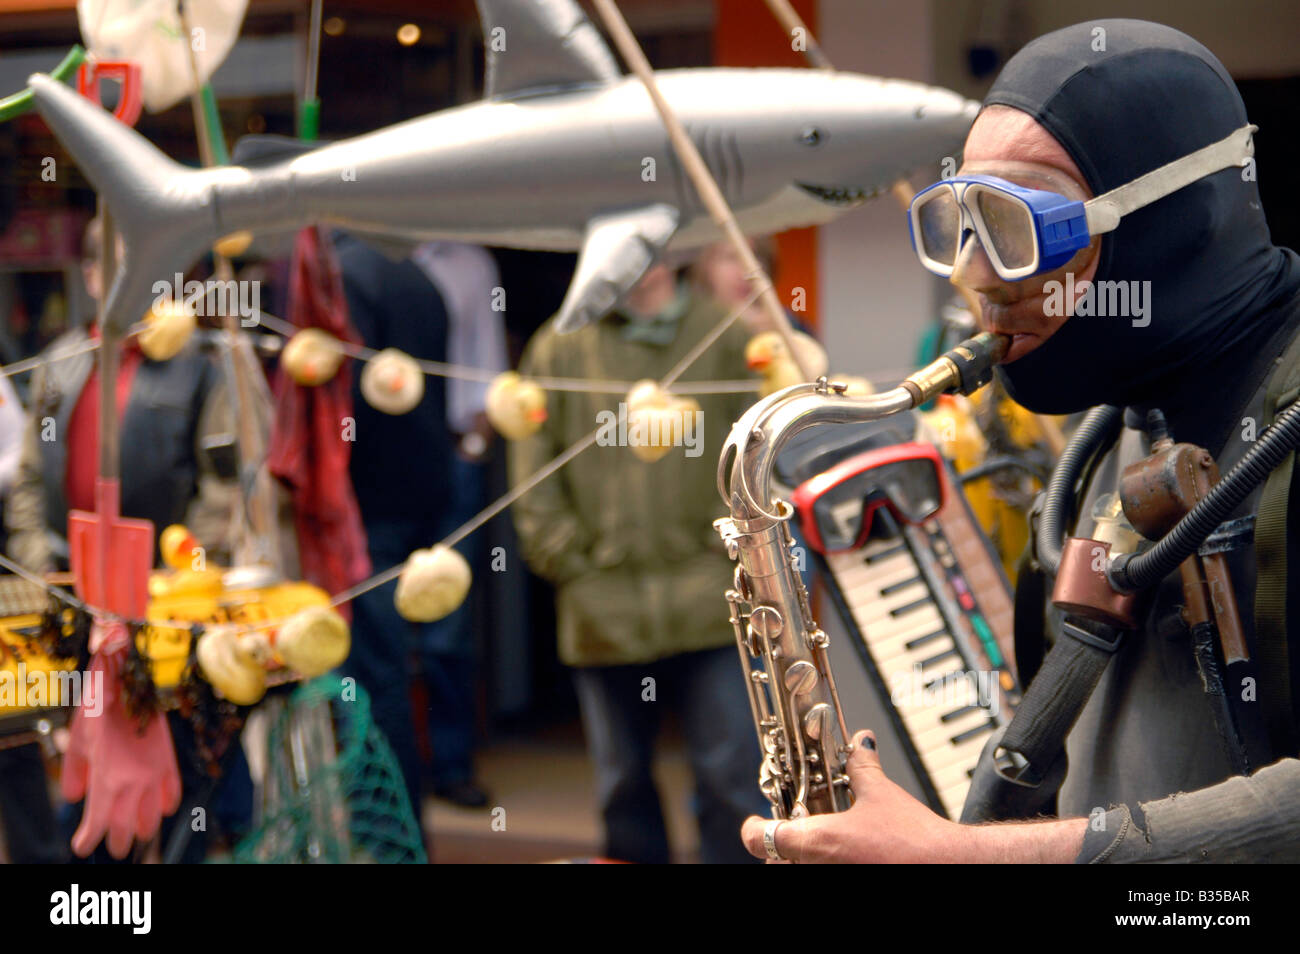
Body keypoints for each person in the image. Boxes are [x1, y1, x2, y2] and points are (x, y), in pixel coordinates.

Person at [743, 19, 1300, 864]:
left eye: (1019, 224)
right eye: (960, 222)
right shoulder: (1107, 440)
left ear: (1174, 222)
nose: (975, 274)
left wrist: (961, 856)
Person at [3, 217, 244, 862]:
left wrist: (180, 579)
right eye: (114, 268)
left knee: (184, 776)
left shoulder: (202, 366)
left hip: (167, 608)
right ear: (89, 277)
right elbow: (27, 479)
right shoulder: (59, 361)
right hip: (73, 598)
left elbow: (223, 493)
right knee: (88, 767)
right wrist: (36, 566)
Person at [510, 261, 766, 864]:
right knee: (621, 782)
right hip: (604, 603)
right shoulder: (560, 343)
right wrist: (570, 560)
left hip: (712, 600)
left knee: (733, 776)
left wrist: (722, 546)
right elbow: (531, 465)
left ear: (674, 247)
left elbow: (756, 444)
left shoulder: (723, 334)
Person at [335, 234, 502, 820]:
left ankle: (422, 789)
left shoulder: (364, 275)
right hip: (421, 478)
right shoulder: (406, 278)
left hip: (412, 482)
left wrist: (474, 447)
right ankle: (409, 800)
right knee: (398, 651)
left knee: (420, 645)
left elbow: (482, 361)